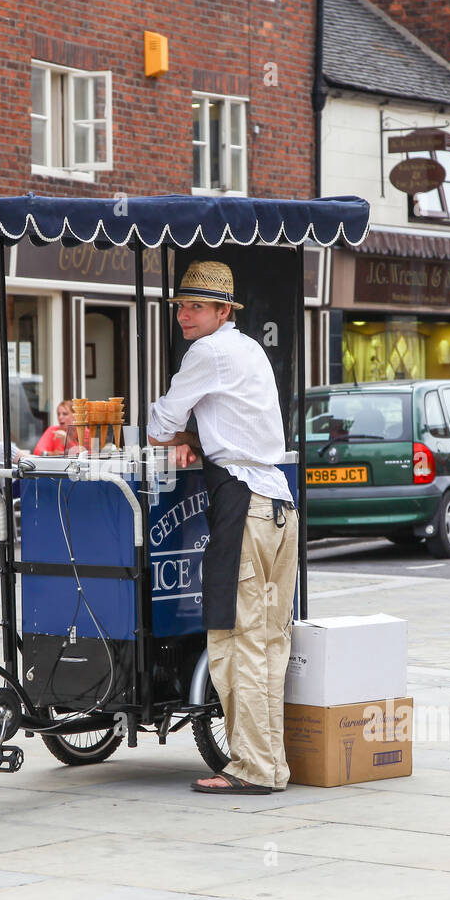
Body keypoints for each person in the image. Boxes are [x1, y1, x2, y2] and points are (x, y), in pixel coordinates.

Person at [147, 260, 298, 795]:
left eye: (195, 307)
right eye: (181, 306)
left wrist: (182, 433)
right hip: (281, 505)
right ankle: (273, 764)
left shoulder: (207, 352)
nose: (184, 316)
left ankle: (253, 769)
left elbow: (159, 422)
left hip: (243, 504)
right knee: (272, 642)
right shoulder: (249, 348)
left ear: (222, 311)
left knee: (237, 641)